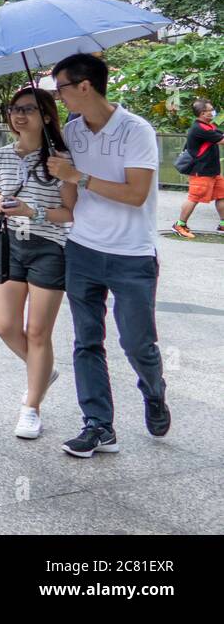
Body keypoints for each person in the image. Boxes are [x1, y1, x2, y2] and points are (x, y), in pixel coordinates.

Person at [46, 53, 169, 457]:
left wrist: (78, 176)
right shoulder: (72, 130)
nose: (58, 95)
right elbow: (70, 187)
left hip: (132, 255)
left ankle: (153, 391)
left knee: (138, 343)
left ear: (84, 86)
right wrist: (60, 174)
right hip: (82, 249)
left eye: (61, 87)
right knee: (86, 341)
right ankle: (99, 426)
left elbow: (135, 195)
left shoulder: (137, 130)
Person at [0, 88, 76, 440]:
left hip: (49, 247)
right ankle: (43, 370)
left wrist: (32, 210)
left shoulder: (59, 160)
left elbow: (69, 213)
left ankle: (31, 406)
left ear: (47, 116)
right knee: (5, 326)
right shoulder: (2, 155)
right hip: (10, 243)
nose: (19, 116)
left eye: (28, 109)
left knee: (38, 332)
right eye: (14, 109)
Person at [171, 98, 224, 238]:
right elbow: (222, 140)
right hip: (201, 170)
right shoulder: (199, 128)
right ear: (202, 113)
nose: (213, 112)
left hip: (213, 170)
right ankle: (179, 224)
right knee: (194, 198)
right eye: (210, 110)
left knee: (222, 195)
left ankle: (223, 225)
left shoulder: (209, 127)